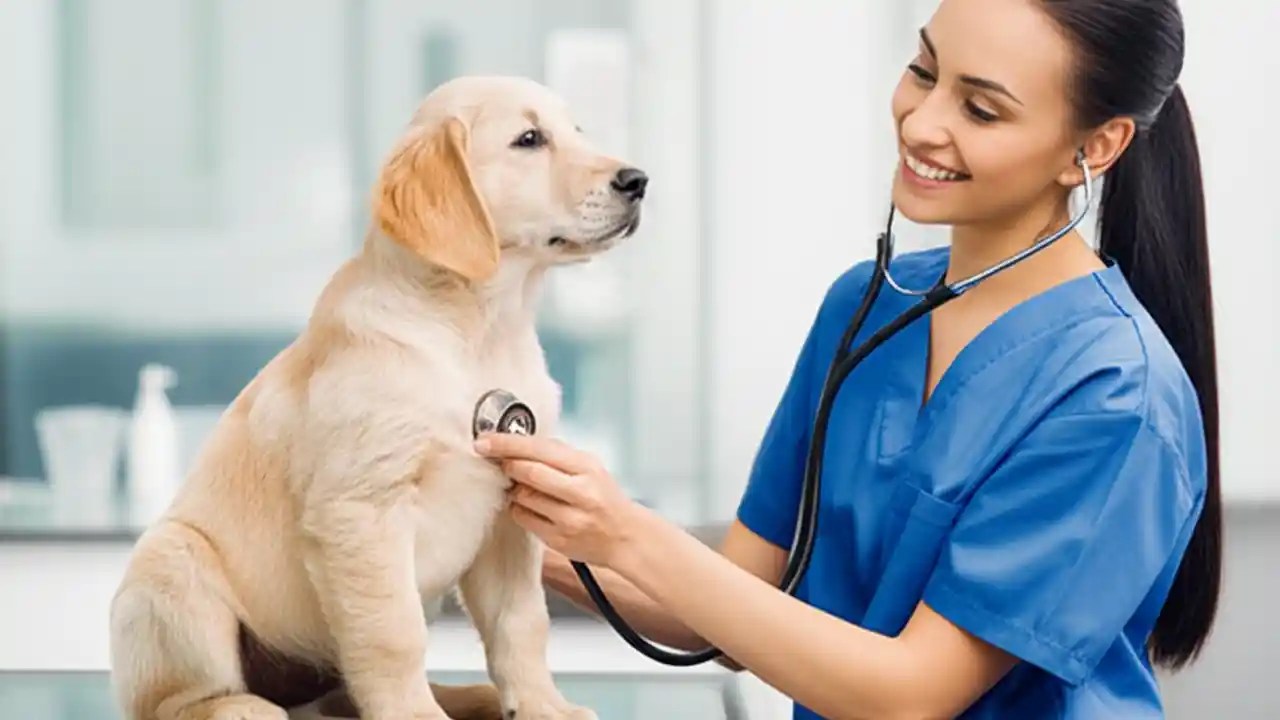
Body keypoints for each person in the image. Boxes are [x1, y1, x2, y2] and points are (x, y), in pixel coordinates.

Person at [474, 0, 1220, 716]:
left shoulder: (1115, 395)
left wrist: (628, 531)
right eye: (924, 71)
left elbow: (908, 697)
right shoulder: (865, 306)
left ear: (1094, 148)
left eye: (981, 109)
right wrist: (472, 536)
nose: (922, 122)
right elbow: (729, 610)